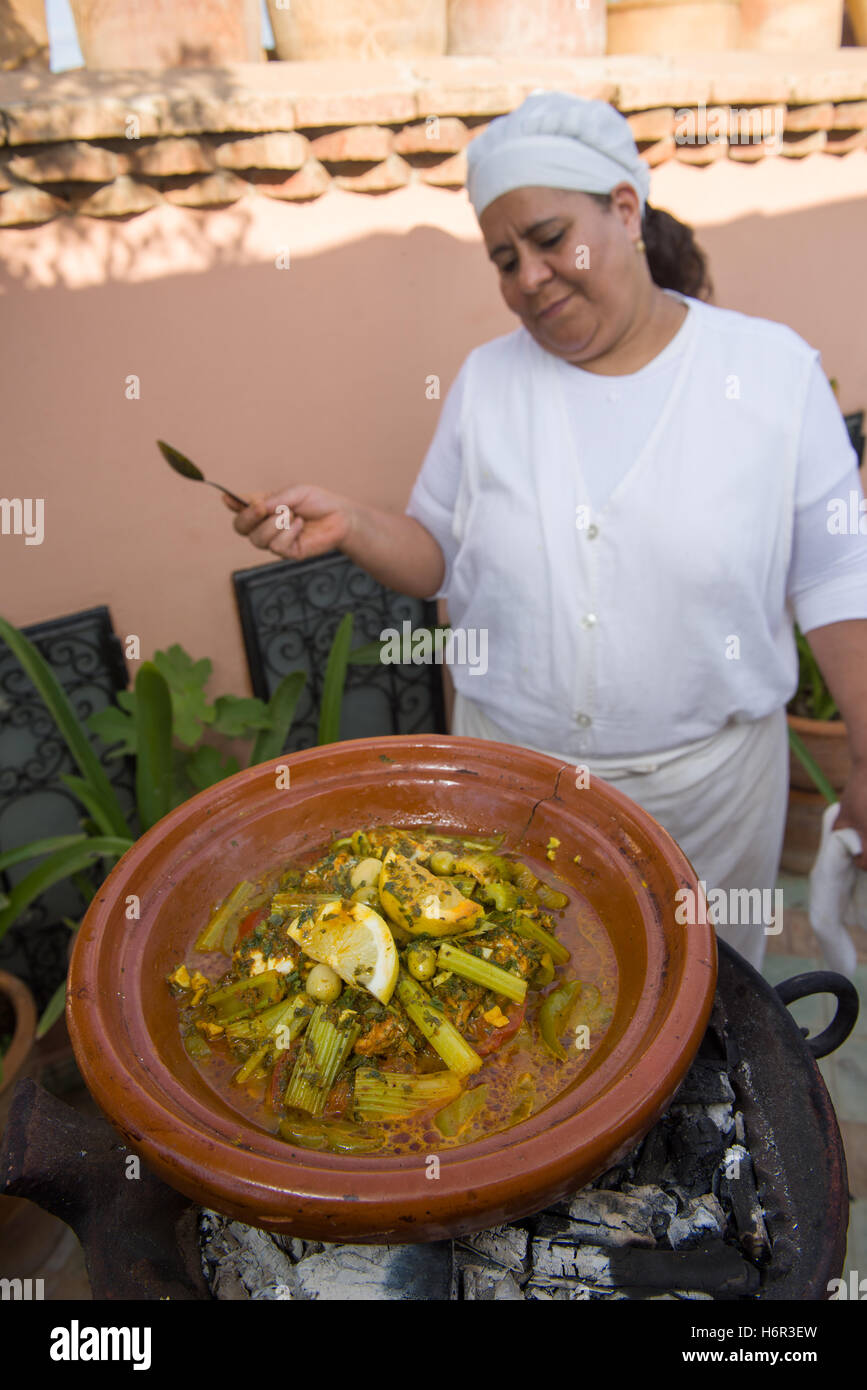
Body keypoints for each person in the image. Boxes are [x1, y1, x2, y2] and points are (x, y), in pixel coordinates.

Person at [226, 92, 867, 971]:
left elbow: (837, 581)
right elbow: (439, 557)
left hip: (706, 794)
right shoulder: (488, 383)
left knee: (706, 1005)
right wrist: (356, 524)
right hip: (512, 780)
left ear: (626, 209)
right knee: (520, 996)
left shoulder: (767, 375)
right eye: (503, 257)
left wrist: (864, 758)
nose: (528, 276)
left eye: (547, 237)